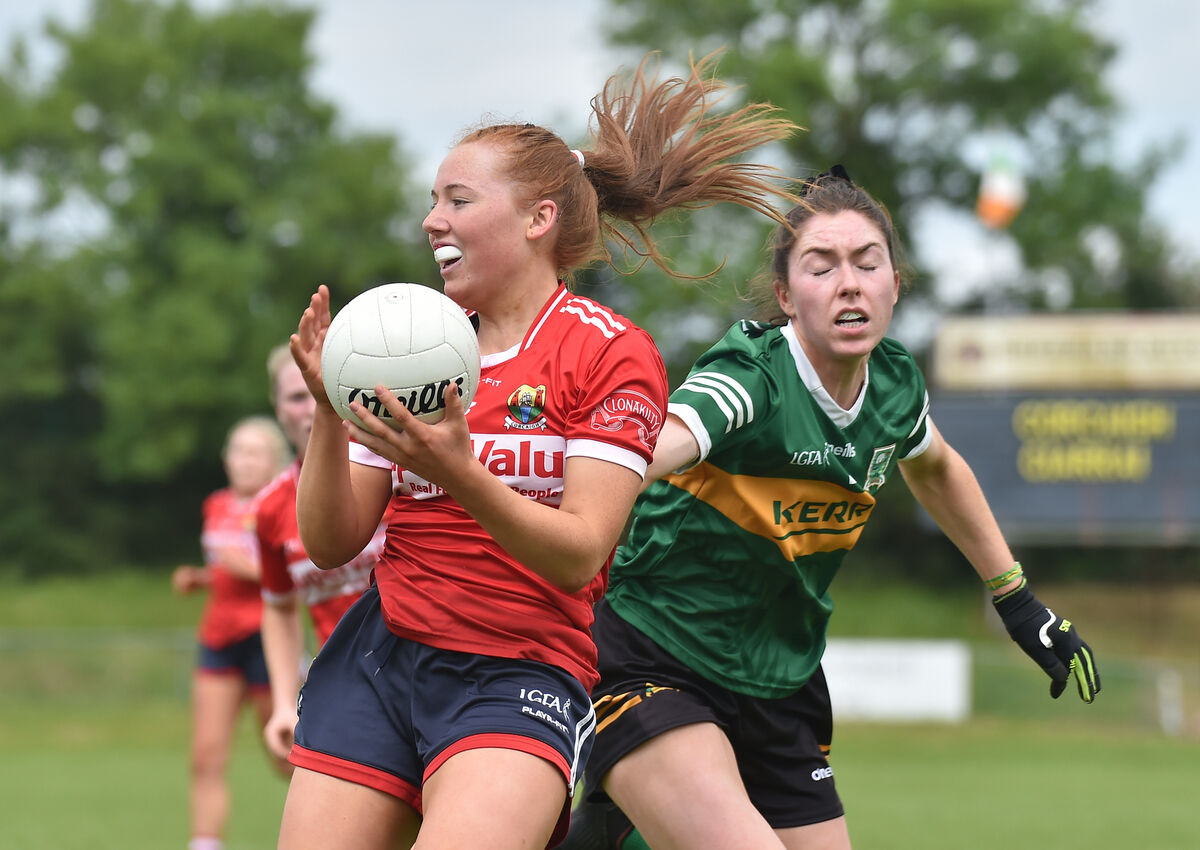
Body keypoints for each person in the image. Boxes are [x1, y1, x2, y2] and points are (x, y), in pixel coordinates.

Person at [277, 53, 802, 850]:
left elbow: (580, 553)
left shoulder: (608, 352)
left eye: (458, 199)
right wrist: (326, 411)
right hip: (381, 659)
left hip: (517, 673)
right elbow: (329, 542)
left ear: (537, 219)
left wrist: (459, 470)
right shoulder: (406, 343)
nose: (432, 220)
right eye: (432, 202)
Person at [562, 165, 1102, 850]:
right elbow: (663, 441)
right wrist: (594, 469)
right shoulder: (752, 377)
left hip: (781, 680)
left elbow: (937, 467)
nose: (849, 282)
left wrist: (1017, 600)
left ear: (894, 286)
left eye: (867, 263)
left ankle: (611, 827)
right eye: (822, 267)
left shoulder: (895, 388)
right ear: (786, 297)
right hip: (655, 660)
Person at [254, 343, 386, 763]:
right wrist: (282, 702)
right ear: (278, 410)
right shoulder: (271, 507)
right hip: (343, 689)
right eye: (297, 396)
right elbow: (278, 607)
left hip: (425, 673)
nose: (312, 406)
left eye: (323, 389)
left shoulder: (396, 469)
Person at [171, 415, 293, 850]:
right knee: (205, 756)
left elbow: (302, 572)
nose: (242, 461)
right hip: (218, 640)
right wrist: (200, 578)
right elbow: (223, 567)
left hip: (265, 642)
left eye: (253, 452)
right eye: (236, 451)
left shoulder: (283, 503)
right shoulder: (216, 504)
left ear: (275, 461)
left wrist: (252, 570)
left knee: (285, 757)